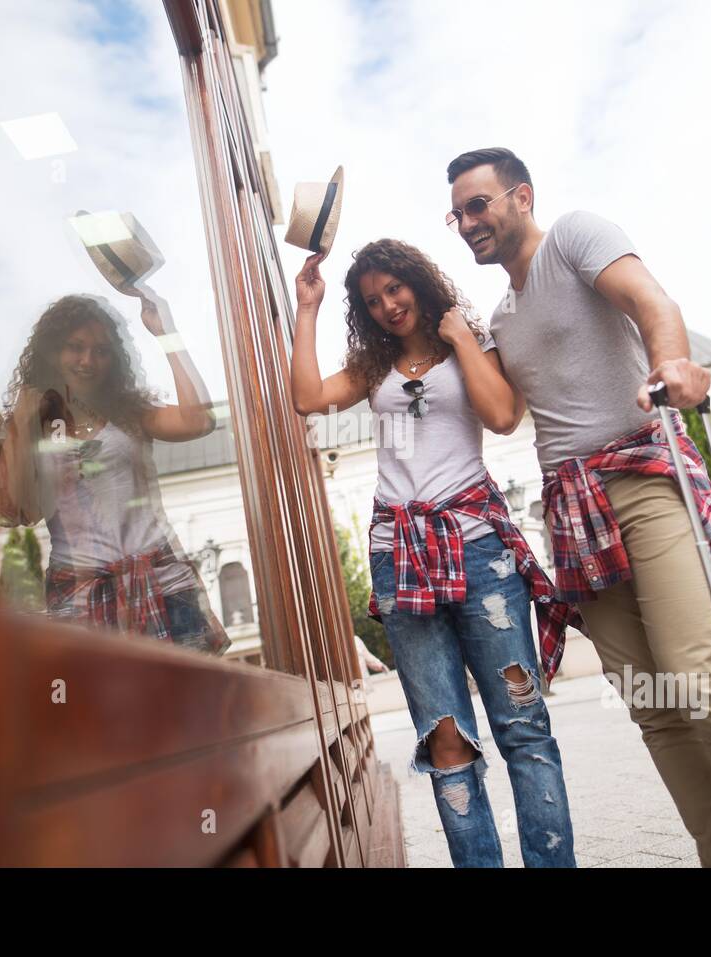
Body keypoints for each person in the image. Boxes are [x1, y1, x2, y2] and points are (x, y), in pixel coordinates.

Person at [445, 147, 711, 867]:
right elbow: (508, 416)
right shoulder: (502, 315)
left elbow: (652, 302)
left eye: (478, 204)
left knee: (698, 676)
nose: (466, 221)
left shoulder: (576, 235)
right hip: (572, 511)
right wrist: (457, 337)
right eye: (456, 213)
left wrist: (670, 362)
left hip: (641, 477)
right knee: (654, 704)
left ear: (522, 196)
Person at [290, 238, 576, 868]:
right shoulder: (374, 368)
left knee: (524, 731)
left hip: (479, 550)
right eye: (373, 299)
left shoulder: (473, 347)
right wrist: (307, 307)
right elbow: (309, 398)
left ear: (419, 283)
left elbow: (502, 416)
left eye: (396, 288)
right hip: (401, 552)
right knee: (446, 739)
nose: (389, 305)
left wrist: (466, 341)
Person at [0, 289, 229, 656]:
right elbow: (18, 511)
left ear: (113, 358)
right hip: (79, 595)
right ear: (53, 352)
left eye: (101, 350)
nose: (87, 360)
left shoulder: (129, 410)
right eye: (75, 346)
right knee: (98, 710)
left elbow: (198, 421)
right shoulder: (31, 422)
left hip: (161, 583)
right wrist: (23, 429)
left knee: (191, 704)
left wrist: (166, 332)